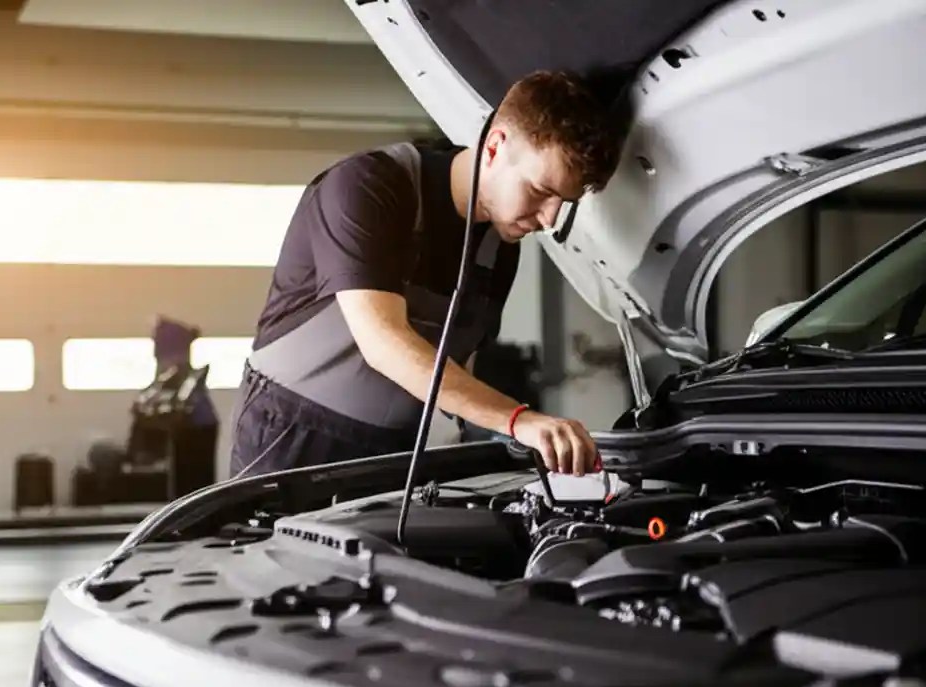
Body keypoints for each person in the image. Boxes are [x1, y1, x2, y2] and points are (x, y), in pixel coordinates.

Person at [229, 69, 633, 480]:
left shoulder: (499, 250)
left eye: (561, 202)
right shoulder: (369, 187)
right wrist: (518, 420)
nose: (549, 218)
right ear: (494, 147)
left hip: (393, 452)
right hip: (292, 436)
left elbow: (462, 366)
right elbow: (383, 344)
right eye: (540, 190)